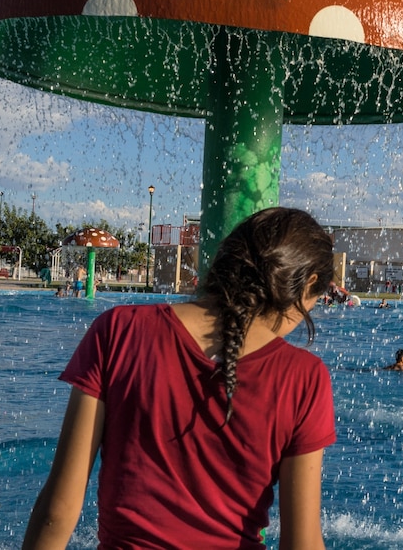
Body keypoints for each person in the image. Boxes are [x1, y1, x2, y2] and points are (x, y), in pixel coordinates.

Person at [24, 207, 336, 548]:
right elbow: (301, 543)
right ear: (308, 285)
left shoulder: (119, 331)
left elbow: (58, 510)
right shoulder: (304, 378)